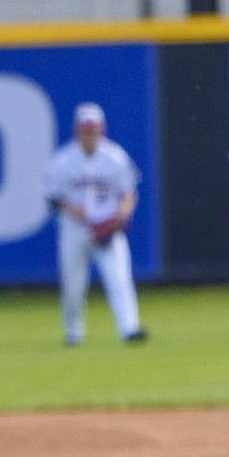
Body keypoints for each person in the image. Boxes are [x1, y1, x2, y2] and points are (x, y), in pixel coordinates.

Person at [44, 102, 147, 348]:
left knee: (119, 279)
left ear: (102, 129)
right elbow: (51, 198)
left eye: (94, 129)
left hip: (107, 227)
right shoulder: (62, 160)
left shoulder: (115, 157)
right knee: (73, 285)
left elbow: (129, 192)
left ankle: (129, 329)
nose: (89, 134)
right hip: (74, 229)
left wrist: (123, 213)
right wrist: (74, 210)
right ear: (77, 130)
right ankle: (73, 333)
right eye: (85, 129)